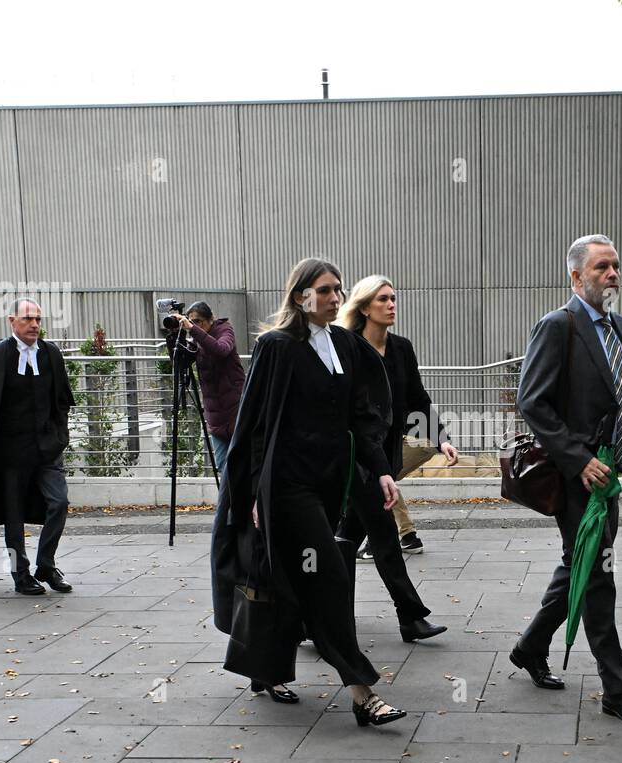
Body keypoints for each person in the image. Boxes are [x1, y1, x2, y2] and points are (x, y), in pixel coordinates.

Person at [210, 258, 408, 727]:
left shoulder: (343, 342)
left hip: (328, 485)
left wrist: (379, 469)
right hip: (286, 487)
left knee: (291, 581)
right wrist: (254, 493)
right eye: (325, 290)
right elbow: (255, 425)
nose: (336, 298)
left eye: (339, 289)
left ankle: (264, 670)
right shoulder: (277, 346)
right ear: (301, 296)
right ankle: (363, 694)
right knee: (331, 578)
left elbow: (363, 414)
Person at [510, 234, 622, 724]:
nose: (613, 275)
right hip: (580, 476)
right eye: (602, 267)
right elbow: (533, 401)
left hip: (611, 472)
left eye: (616, 266)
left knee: (580, 562)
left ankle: (531, 647)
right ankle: (617, 689)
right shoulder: (558, 326)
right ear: (576, 277)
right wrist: (578, 460)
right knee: (599, 574)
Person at [335, 275, 456, 642]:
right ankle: (411, 617)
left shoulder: (401, 349)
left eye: (393, 298)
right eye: (383, 299)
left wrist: (441, 439)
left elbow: (417, 398)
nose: (391, 305)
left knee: (347, 537)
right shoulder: (348, 348)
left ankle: (318, 615)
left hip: (386, 454)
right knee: (386, 536)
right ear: (364, 307)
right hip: (357, 457)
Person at [0, 298, 74, 595]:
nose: (35, 325)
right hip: (10, 452)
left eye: (38, 319)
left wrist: (58, 436)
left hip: (47, 449)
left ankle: (47, 565)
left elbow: (62, 400)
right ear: (12, 321)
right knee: (12, 516)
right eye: (28, 319)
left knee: (59, 503)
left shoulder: (51, 354)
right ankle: (20, 574)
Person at [162, 301, 245, 474]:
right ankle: (233, 501)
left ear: (211, 319)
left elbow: (221, 349)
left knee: (243, 464)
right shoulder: (197, 338)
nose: (194, 324)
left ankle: (242, 501)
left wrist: (192, 329)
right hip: (215, 416)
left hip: (237, 411)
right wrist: (174, 336)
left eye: (198, 321)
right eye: (191, 321)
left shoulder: (224, 330)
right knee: (223, 465)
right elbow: (181, 363)